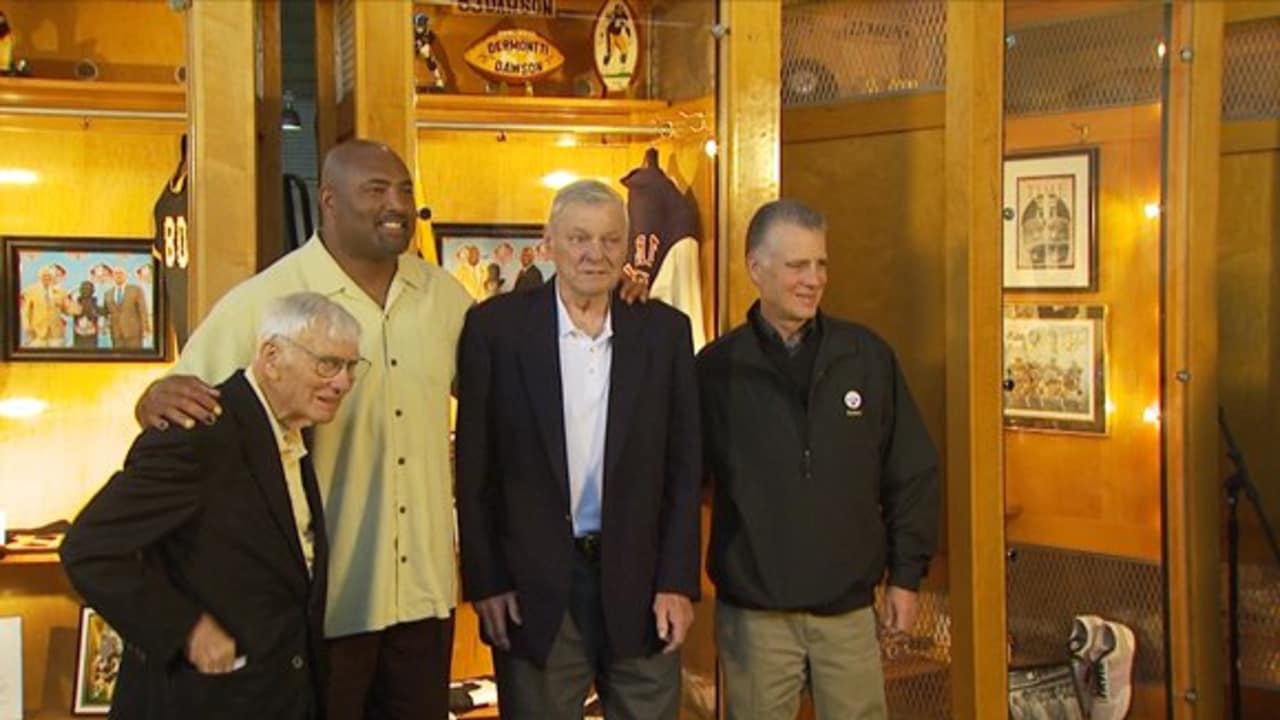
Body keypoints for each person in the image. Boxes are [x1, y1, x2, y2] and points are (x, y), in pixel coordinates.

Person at [133, 139, 474, 720]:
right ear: (330, 201)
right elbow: (177, 401)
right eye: (376, 191)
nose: (397, 205)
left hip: (425, 595)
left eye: (405, 191)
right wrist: (153, 398)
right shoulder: (268, 300)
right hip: (323, 601)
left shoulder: (444, 297)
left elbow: (509, 393)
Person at [455, 180, 701, 719]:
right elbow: (474, 474)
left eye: (612, 240)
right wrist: (486, 582)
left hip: (642, 586)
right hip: (532, 586)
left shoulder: (664, 332)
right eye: (580, 238)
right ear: (549, 243)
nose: (596, 253)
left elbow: (684, 470)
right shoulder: (495, 330)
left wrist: (678, 581)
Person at [61, 292, 364, 720]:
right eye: (328, 364)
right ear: (272, 357)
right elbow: (88, 548)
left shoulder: (293, 430)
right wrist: (185, 628)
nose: (343, 382)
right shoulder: (197, 433)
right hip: (201, 700)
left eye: (351, 367)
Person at [697, 199, 940, 720]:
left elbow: (911, 471)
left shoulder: (867, 357)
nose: (813, 279)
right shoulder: (716, 371)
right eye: (797, 266)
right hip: (755, 616)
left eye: (821, 264)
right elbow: (679, 486)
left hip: (849, 612)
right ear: (756, 269)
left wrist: (905, 576)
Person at [20, 265, 79, 347]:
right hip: (37, 333)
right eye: (44, 276)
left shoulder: (60, 292)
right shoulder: (30, 291)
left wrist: (74, 302)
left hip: (56, 334)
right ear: (39, 277)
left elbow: (69, 310)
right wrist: (27, 327)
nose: (47, 278)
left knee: (57, 357)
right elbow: (25, 311)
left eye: (49, 276)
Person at [104, 265, 151, 349]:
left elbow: (143, 310)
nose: (118, 275)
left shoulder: (136, 290)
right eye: (116, 273)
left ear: (125, 275)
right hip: (116, 334)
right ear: (112, 276)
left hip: (133, 333)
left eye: (121, 273)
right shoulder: (108, 293)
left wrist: (145, 329)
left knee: (135, 359)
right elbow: (105, 312)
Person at [71, 280, 102, 349]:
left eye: (88, 289)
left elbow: (99, 316)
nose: (86, 291)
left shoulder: (95, 304)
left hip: (91, 335)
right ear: (80, 290)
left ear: (93, 291)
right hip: (79, 334)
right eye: (83, 288)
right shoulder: (76, 303)